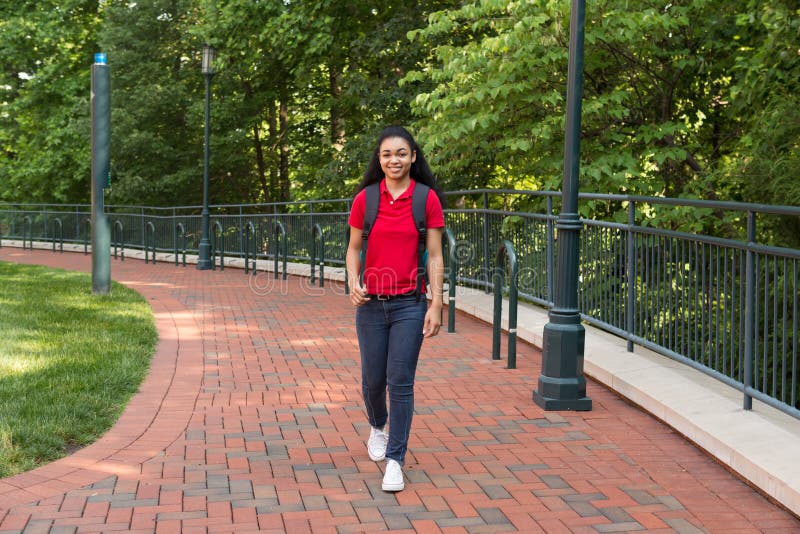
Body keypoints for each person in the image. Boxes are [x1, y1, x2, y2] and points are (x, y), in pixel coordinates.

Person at [346, 125, 445, 492]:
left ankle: (395, 461)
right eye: (387, 154)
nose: (394, 160)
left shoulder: (426, 199)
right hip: (371, 305)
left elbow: (435, 255)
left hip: (410, 305)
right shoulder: (366, 199)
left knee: (400, 380)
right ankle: (378, 427)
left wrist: (437, 302)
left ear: (413, 157)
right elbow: (353, 248)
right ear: (379, 159)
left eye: (401, 153)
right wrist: (353, 282)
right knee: (373, 381)